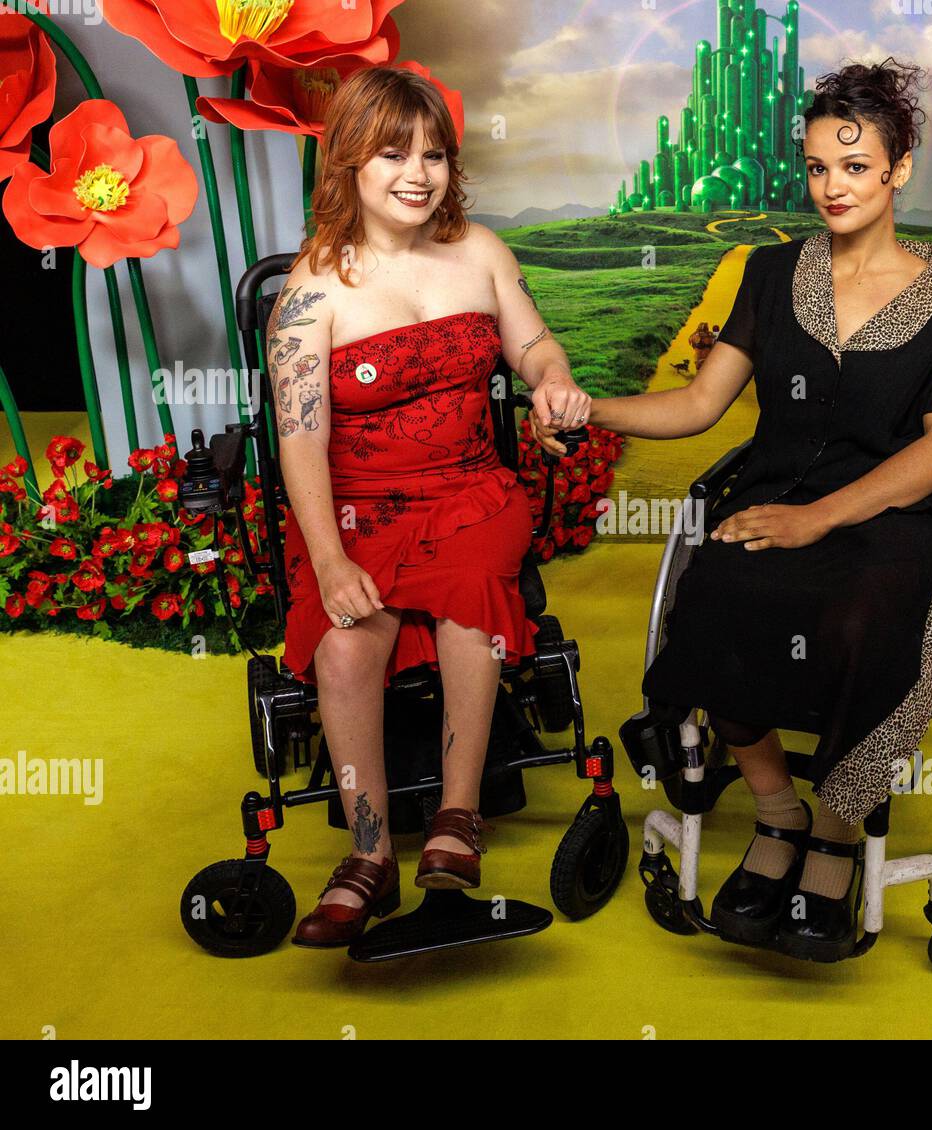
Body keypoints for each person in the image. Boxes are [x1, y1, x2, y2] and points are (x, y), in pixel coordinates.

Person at [535, 58, 932, 961]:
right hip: (776, 494)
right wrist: (589, 408)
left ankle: (833, 831)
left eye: (855, 168)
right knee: (719, 590)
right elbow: (700, 404)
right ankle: (777, 812)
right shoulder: (771, 273)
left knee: (869, 613)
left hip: (897, 516)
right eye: (819, 167)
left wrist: (824, 520)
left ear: (899, 169)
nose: (832, 187)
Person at [273, 66, 590, 947]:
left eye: (435, 155)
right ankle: (369, 856)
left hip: (470, 492)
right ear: (349, 163)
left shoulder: (480, 254)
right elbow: (301, 442)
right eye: (392, 152)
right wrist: (331, 562)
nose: (418, 173)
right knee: (344, 650)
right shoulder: (311, 294)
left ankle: (456, 824)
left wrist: (553, 378)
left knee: (466, 606)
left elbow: (534, 347)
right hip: (355, 512)